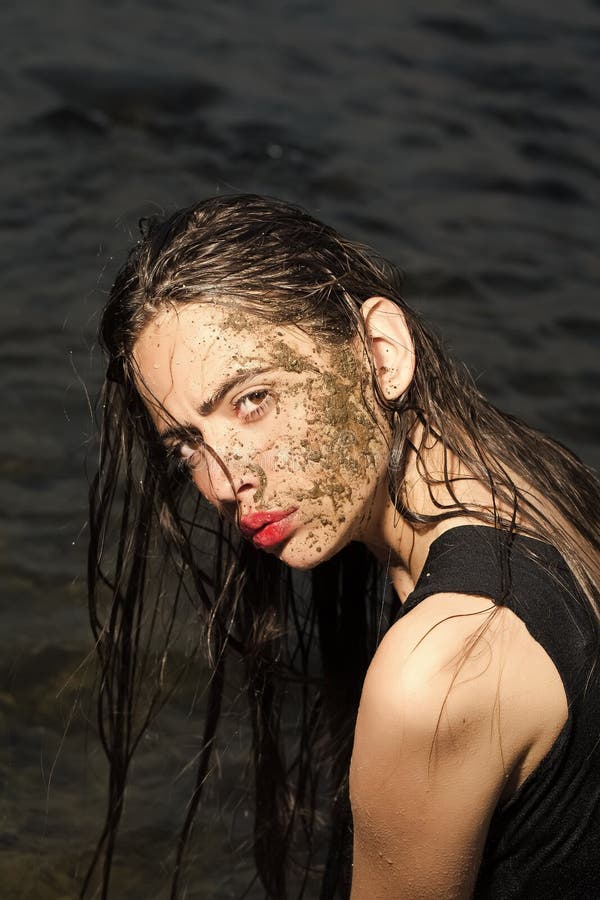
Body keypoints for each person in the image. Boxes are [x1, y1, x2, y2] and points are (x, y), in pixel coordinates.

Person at [85, 194, 600, 900]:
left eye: (252, 399)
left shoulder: (437, 674)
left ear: (381, 354)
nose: (227, 480)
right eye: (186, 446)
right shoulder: (527, 478)